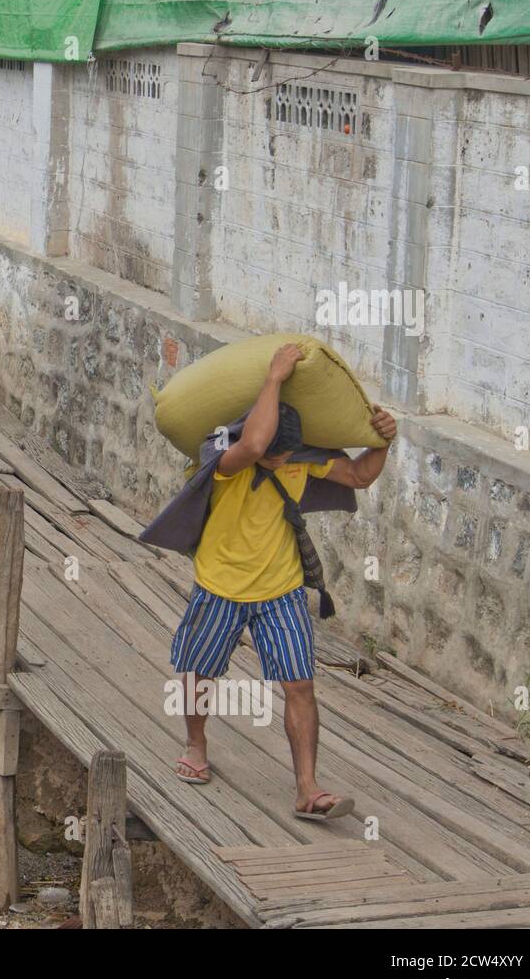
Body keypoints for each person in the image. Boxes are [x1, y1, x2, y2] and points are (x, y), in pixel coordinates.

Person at [138, 343, 398, 819]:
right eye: (275, 455)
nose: (280, 463)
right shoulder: (224, 459)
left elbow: (360, 475)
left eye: (287, 456)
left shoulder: (299, 458)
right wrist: (274, 378)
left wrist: (382, 440)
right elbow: (255, 446)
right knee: (200, 671)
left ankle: (308, 789)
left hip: (281, 589)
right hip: (221, 586)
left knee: (300, 685)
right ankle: (196, 748)